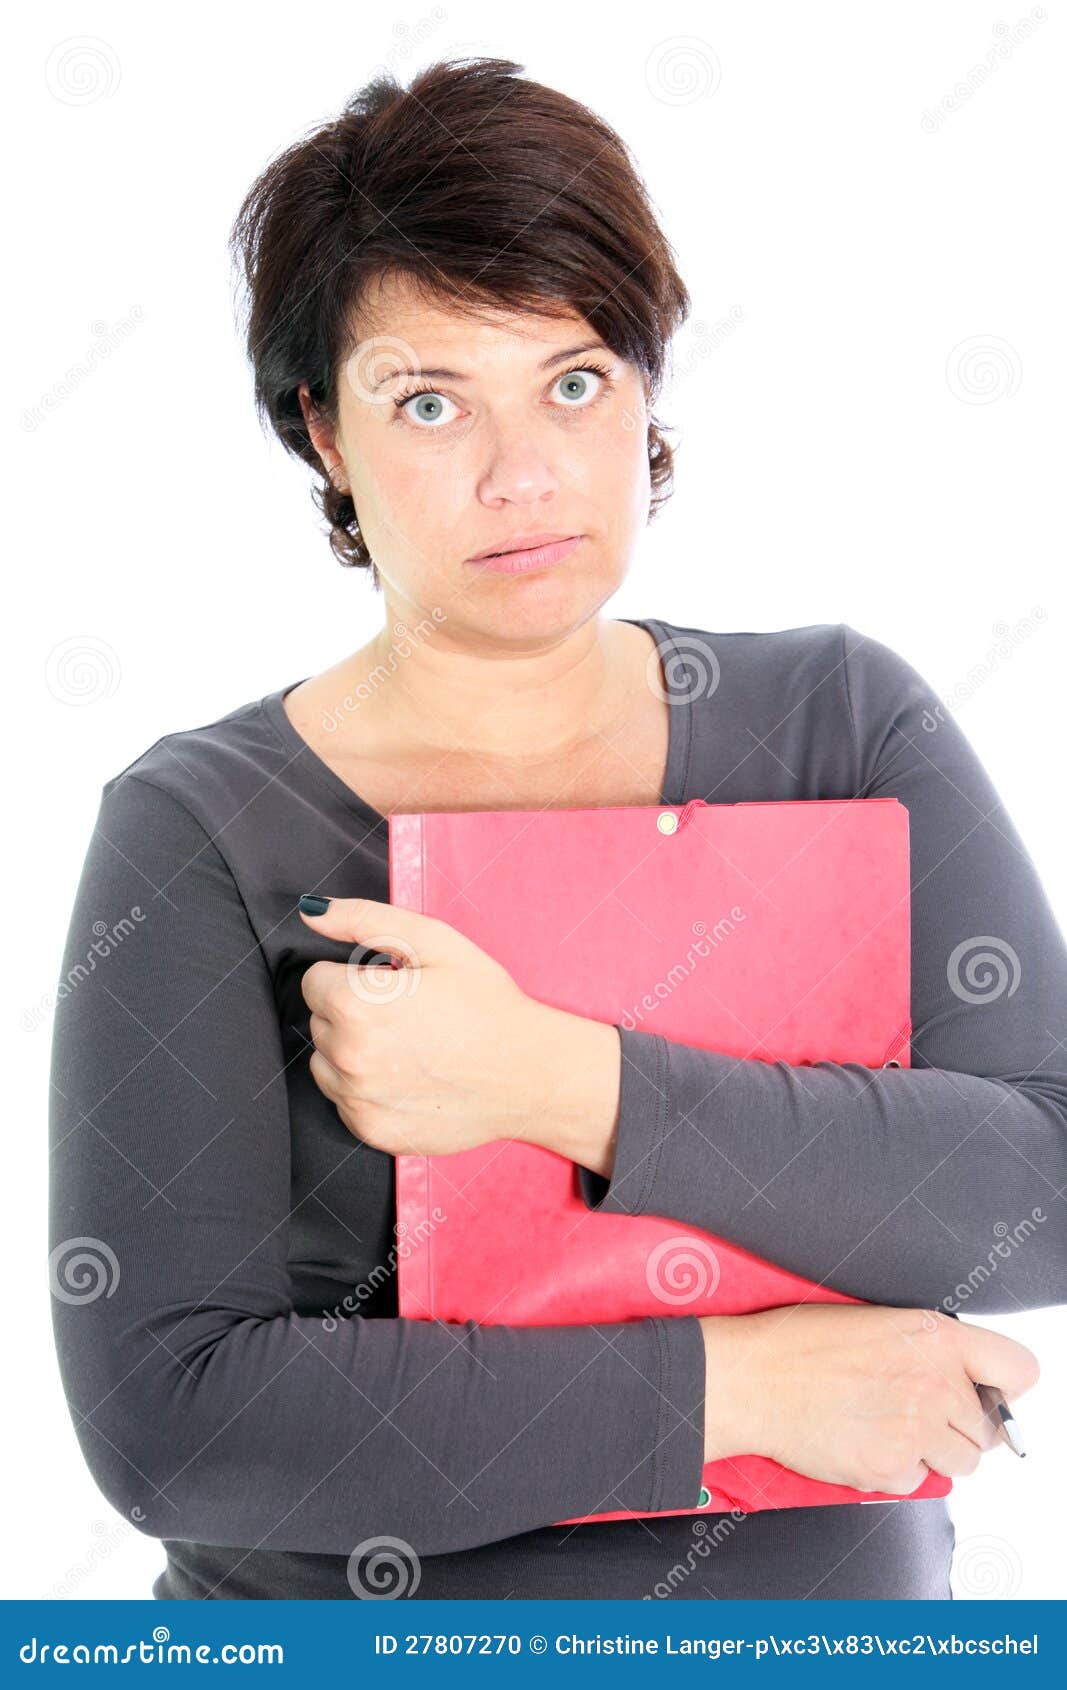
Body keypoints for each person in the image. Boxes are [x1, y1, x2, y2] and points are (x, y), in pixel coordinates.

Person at [48, 57, 1059, 1603]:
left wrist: (552, 1078)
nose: (522, 475)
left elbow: (1046, 1190)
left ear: (647, 383)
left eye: (574, 381)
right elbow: (177, 1423)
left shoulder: (839, 727)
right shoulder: (202, 828)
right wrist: (751, 1390)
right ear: (323, 430)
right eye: (431, 400)